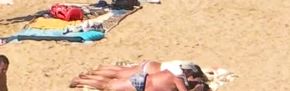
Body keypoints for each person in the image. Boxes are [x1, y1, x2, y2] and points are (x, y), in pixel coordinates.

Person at [68, 62, 209, 91]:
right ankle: (80, 80)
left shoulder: (175, 70)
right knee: (108, 85)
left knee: (113, 78)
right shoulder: (178, 77)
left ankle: (85, 77)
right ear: (189, 72)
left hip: (143, 80)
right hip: (140, 83)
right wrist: (198, 87)